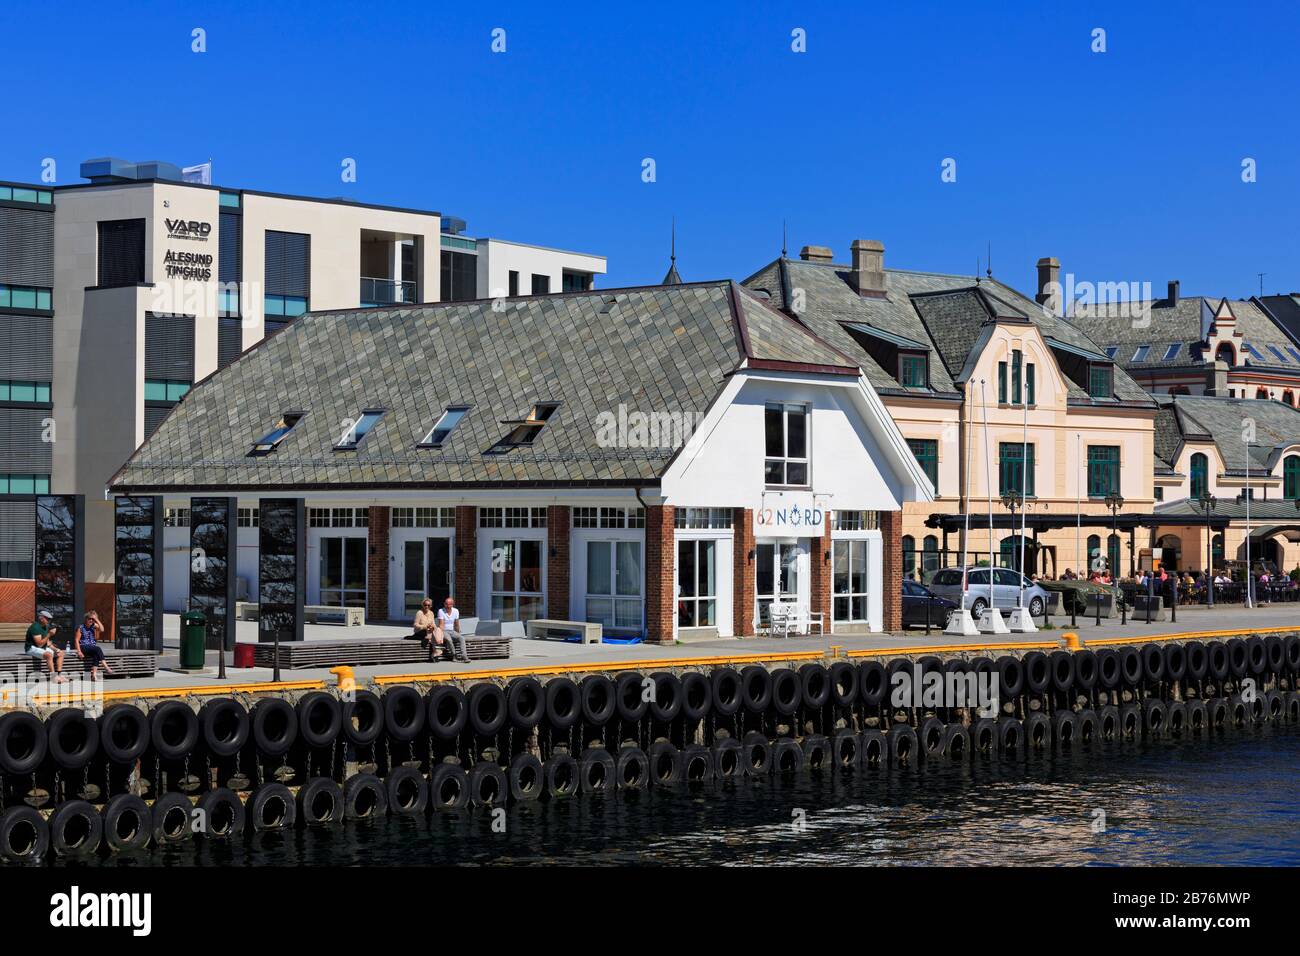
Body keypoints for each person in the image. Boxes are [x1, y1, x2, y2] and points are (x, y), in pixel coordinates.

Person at [25, 610, 67, 683]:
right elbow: (39, 644)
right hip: (31, 648)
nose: (49, 620)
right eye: (47, 619)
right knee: (49, 655)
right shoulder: (35, 627)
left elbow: (47, 643)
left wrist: (56, 649)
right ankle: (53, 677)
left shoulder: (45, 627)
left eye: (49, 619)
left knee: (61, 653)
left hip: (42, 648)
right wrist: (49, 634)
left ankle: (59, 675)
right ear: (41, 618)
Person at [74, 610, 113, 680]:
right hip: (83, 646)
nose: (91, 620)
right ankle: (106, 667)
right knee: (97, 649)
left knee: (96, 655)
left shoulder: (93, 626)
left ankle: (94, 675)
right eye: (89, 618)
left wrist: (96, 619)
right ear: (86, 619)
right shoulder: (81, 627)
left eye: (93, 619)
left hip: (92, 647)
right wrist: (79, 651)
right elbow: (76, 640)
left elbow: (102, 629)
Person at [435, 596, 469, 663]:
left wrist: (458, 633)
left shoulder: (456, 611)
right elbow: (441, 624)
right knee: (449, 639)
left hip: (452, 630)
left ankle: (464, 656)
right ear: (444, 604)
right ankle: (454, 655)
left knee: (461, 638)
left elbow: (456, 623)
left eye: (450, 604)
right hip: (443, 630)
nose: (448, 606)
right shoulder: (441, 611)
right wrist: (441, 635)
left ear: (452, 604)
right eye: (447, 604)